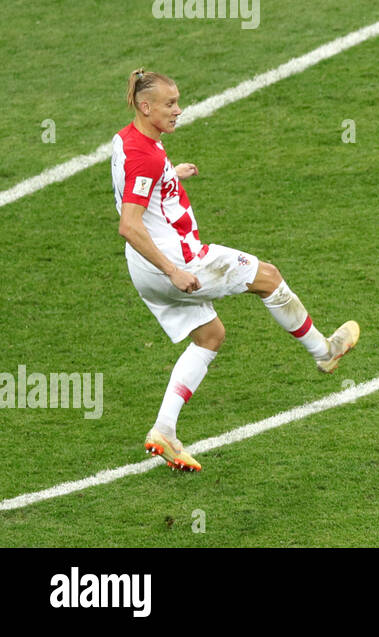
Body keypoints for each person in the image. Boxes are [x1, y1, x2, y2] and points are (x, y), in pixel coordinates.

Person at [111, 69, 359, 471]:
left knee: (210, 335)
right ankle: (324, 353)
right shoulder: (147, 155)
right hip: (178, 261)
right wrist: (175, 271)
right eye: (170, 104)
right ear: (146, 106)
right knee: (270, 278)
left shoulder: (127, 140)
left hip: (142, 269)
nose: (179, 110)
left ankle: (164, 431)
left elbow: (137, 190)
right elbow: (129, 224)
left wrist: (171, 177)